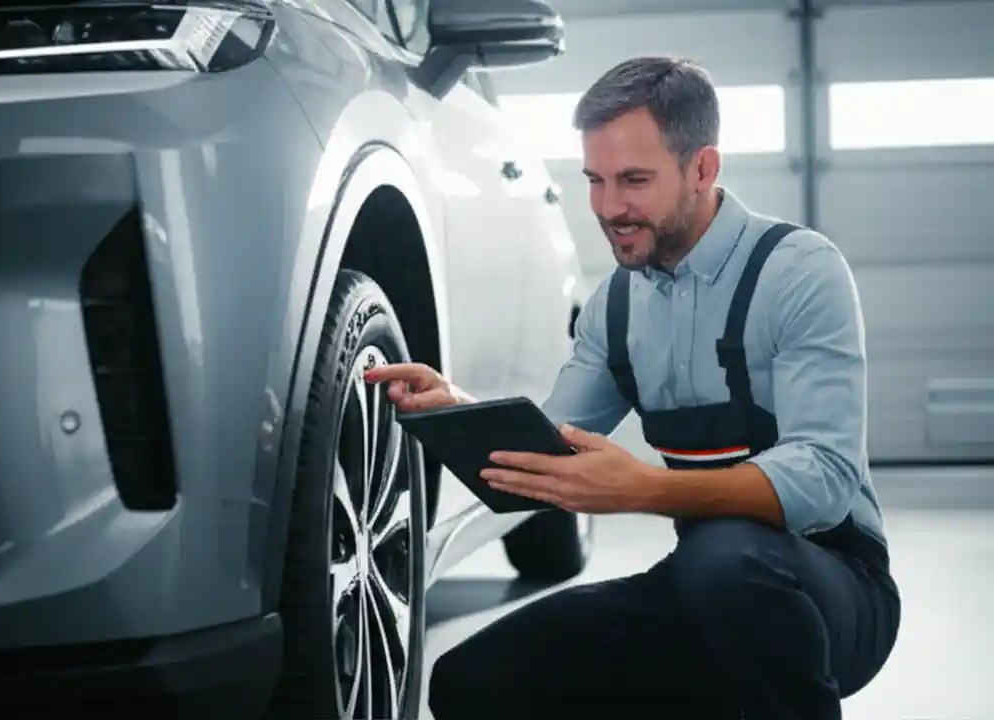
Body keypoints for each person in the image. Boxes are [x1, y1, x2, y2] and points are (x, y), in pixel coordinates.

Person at [364, 56, 901, 719]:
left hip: (838, 590)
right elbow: (550, 448)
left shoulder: (798, 272)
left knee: (723, 559)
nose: (610, 208)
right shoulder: (617, 307)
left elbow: (823, 478)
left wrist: (646, 490)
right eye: (596, 180)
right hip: (705, 583)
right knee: (473, 680)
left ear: (703, 168)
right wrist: (458, 409)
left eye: (635, 181)